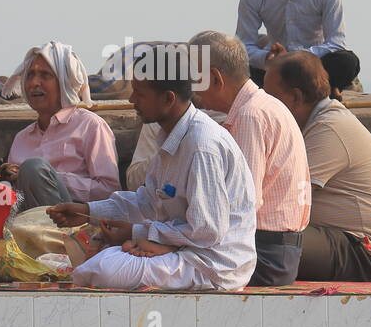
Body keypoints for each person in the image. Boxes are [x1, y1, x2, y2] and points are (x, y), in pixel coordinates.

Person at [47, 47, 256, 290]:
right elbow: (147, 201)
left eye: (139, 93)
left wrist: (139, 234)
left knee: (101, 268)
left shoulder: (202, 145)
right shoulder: (170, 135)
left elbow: (207, 231)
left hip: (212, 266)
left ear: (168, 98)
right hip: (186, 252)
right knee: (93, 252)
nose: (132, 100)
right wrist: (87, 210)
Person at [265, 51, 371, 282]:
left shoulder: (329, 128)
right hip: (335, 240)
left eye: (271, 97)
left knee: (264, 244)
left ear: (296, 97)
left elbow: (283, 198)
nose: (265, 106)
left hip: (364, 252)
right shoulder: (311, 123)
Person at [188, 31, 309, 286]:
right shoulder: (261, 106)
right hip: (275, 248)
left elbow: (242, 204)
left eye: (194, 78)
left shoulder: (249, 116)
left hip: (265, 253)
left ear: (214, 78)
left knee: (152, 264)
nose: (191, 88)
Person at [0, 42, 120, 209]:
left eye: (45, 75)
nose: (34, 83)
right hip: (24, 221)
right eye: (30, 75)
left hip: (71, 223)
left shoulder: (90, 126)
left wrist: (50, 178)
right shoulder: (22, 138)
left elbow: (109, 191)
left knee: (33, 168)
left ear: (65, 81)